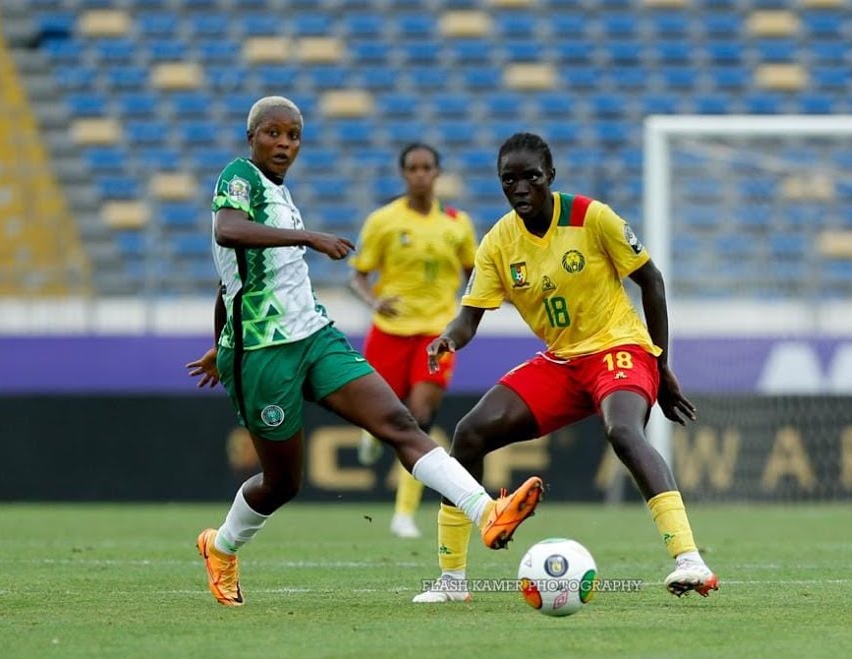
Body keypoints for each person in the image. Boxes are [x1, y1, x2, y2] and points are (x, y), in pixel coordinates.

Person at [183, 97, 544, 607]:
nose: (284, 144)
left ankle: (487, 513)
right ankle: (220, 546)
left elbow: (229, 280)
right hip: (262, 353)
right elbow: (228, 233)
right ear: (252, 137)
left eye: (293, 136)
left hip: (314, 337)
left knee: (401, 423)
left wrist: (215, 336)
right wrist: (305, 242)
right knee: (283, 482)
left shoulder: (280, 195)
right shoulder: (237, 177)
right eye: (273, 134)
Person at [413, 132, 719, 603]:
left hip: (619, 348)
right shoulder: (498, 242)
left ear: (550, 178)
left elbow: (651, 281)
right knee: (470, 432)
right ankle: (452, 581)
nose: (520, 189)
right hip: (562, 361)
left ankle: (689, 559)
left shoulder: (591, 217)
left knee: (623, 432)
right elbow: (469, 316)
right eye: (508, 180)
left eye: (530, 178)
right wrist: (448, 339)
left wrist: (660, 362)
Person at [349, 142, 479, 540]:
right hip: (389, 333)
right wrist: (374, 300)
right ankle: (371, 433)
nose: (420, 174)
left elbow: (475, 273)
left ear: (437, 173)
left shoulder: (458, 224)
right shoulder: (383, 221)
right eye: (413, 168)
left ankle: (403, 513)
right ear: (404, 174)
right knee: (384, 417)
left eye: (427, 168)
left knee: (418, 418)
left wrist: (465, 315)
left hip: (436, 336)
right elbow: (357, 275)